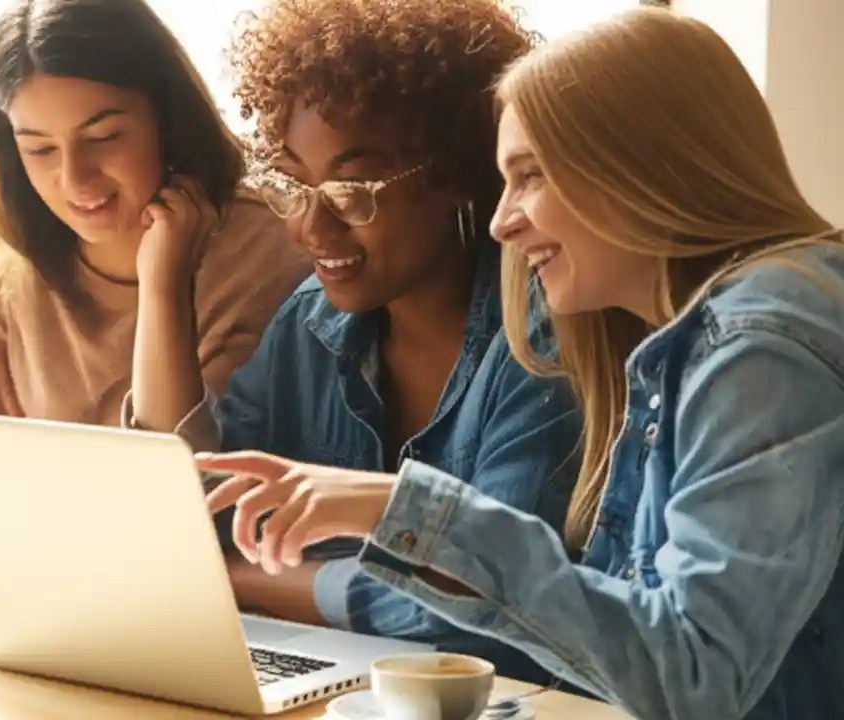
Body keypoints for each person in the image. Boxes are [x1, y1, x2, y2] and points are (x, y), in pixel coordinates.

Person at [199, 8, 844, 720]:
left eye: (530, 176)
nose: (503, 221)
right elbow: (625, 646)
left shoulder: (759, 345)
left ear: (640, 165)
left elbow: (693, 679)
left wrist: (408, 512)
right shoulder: (681, 346)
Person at [125, 0, 581, 683]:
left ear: (457, 169)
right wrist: (161, 288)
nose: (311, 226)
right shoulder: (312, 322)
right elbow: (193, 518)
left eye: (350, 188)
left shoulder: (541, 337)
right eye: (291, 183)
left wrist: (238, 583)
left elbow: (483, 605)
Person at [0, 0, 308, 523]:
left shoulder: (266, 246)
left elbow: (182, 497)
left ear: (165, 118)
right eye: (40, 150)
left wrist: (163, 282)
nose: (76, 180)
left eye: (103, 137)